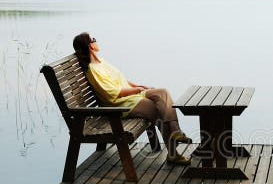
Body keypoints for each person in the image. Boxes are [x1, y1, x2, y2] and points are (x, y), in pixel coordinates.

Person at [72, 32, 190, 164]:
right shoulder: (92, 71)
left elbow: (121, 79)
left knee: (162, 93)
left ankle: (175, 129)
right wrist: (137, 90)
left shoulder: (102, 62)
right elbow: (112, 93)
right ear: (90, 46)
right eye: (94, 40)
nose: (96, 41)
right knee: (157, 110)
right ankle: (173, 153)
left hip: (131, 96)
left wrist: (137, 86)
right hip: (120, 104)